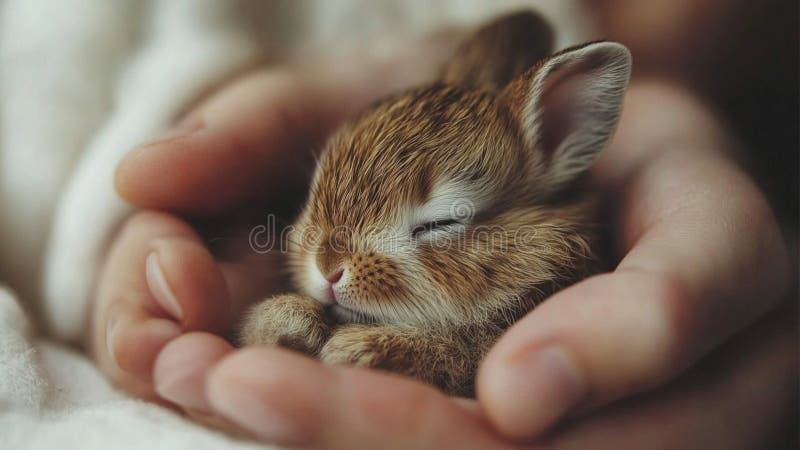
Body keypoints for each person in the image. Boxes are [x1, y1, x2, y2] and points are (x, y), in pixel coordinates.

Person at [88, 1, 797, 448]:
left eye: (437, 223)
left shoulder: (562, 248)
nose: (331, 266)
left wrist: (447, 358)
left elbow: (487, 347)